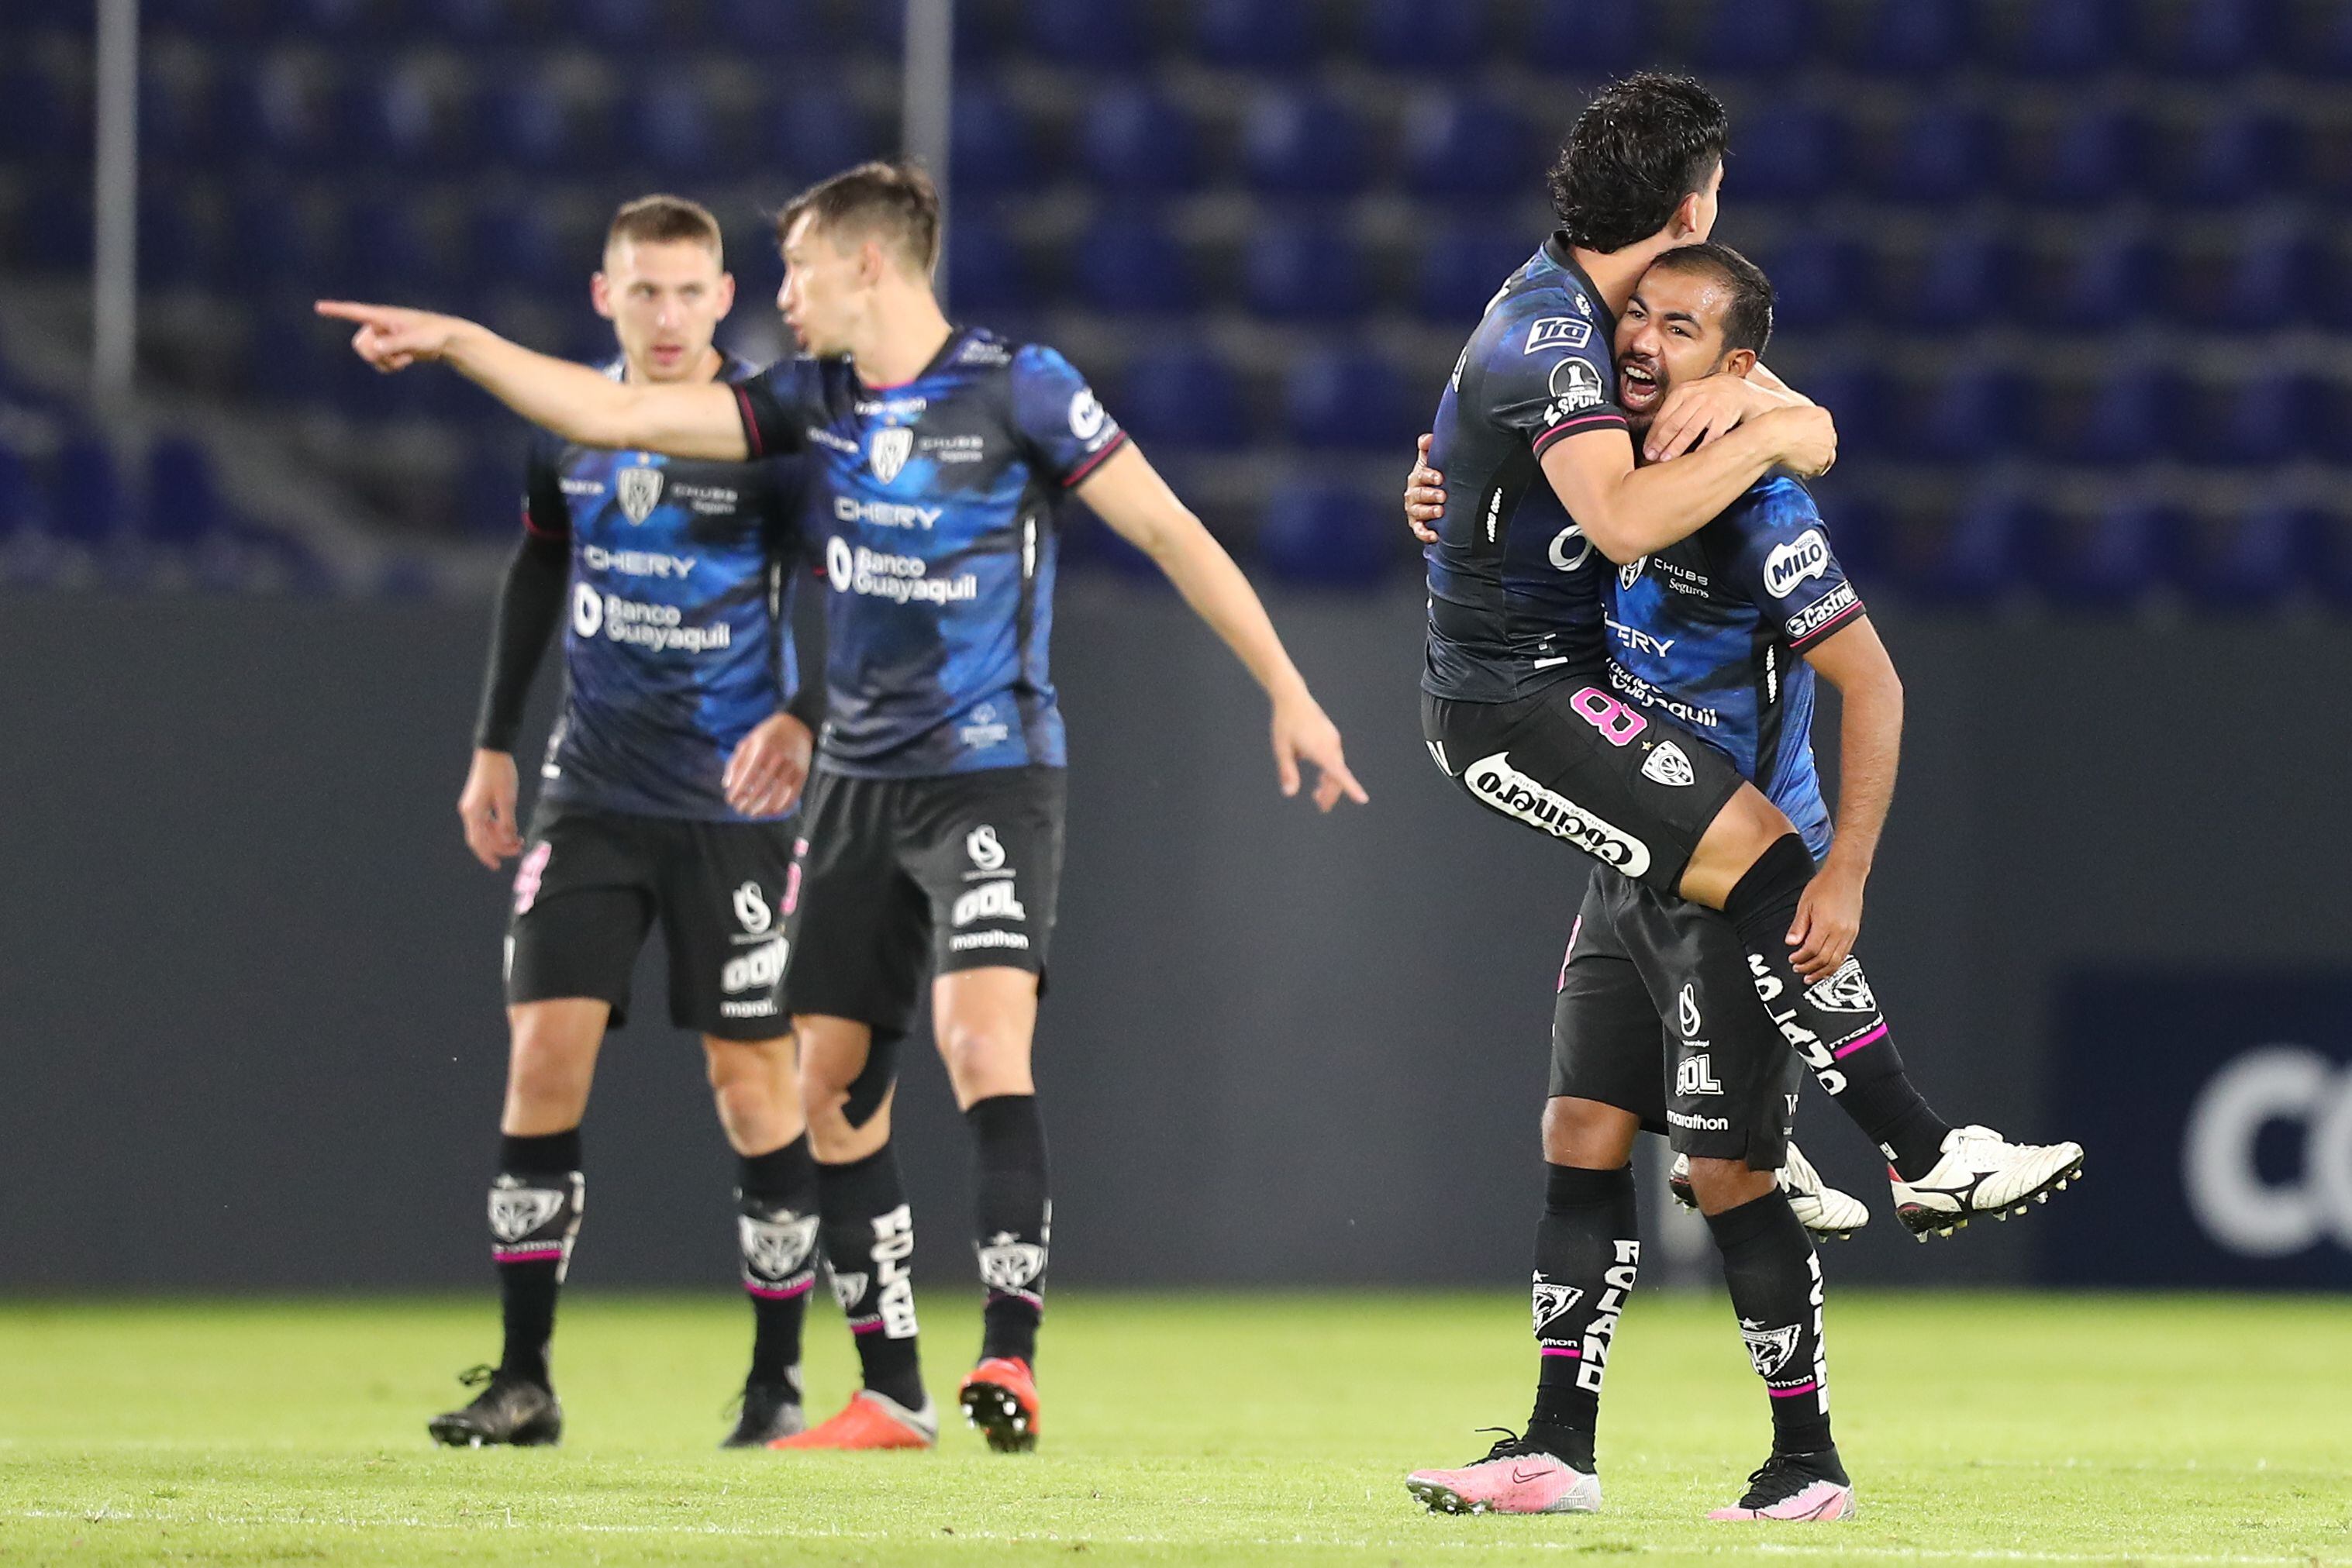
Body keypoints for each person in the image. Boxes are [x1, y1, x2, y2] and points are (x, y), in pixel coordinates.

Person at [321, 161, 1365, 1455]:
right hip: (856, 793)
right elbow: (611, 412)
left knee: (981, 1044)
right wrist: (465, 347)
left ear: (870, 264)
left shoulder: (1018, 386)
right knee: (826, 1097)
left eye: (796, 267)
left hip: (989, 769)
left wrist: (1286, 688)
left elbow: (1165, 530)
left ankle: (1011, 1360)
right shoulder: (806, 406)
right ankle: (892, 1391)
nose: (781, 294)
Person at [1403, 76, 2081, 1521]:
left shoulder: (1588, 343)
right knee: (1766, 879)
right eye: (1652, 317)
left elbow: (1841, 632)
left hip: (1590, 739)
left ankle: (1562, 1449)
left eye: (1684, 330)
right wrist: (1782, 430)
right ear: (1690, 202)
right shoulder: (1575, 355)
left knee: (1596, 1133)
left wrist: (1781, 428)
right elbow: (1622, 514)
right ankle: (1919, 1147)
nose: (1652, 342)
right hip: (1516, 700)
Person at [424, 196, 828, 1452]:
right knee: (542, 1057)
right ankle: (524, 1378)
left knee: (752, 1082)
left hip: (732, 807)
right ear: (605, 298)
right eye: (641, 292)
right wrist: (495, 739)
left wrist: (808, 713)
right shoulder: (572, 428)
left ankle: (776, 1383)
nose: (664, 315)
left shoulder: (767, 437)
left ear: (723, 300)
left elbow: (862, 588)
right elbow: (539, 565)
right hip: (589, 793)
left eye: (687, 291)